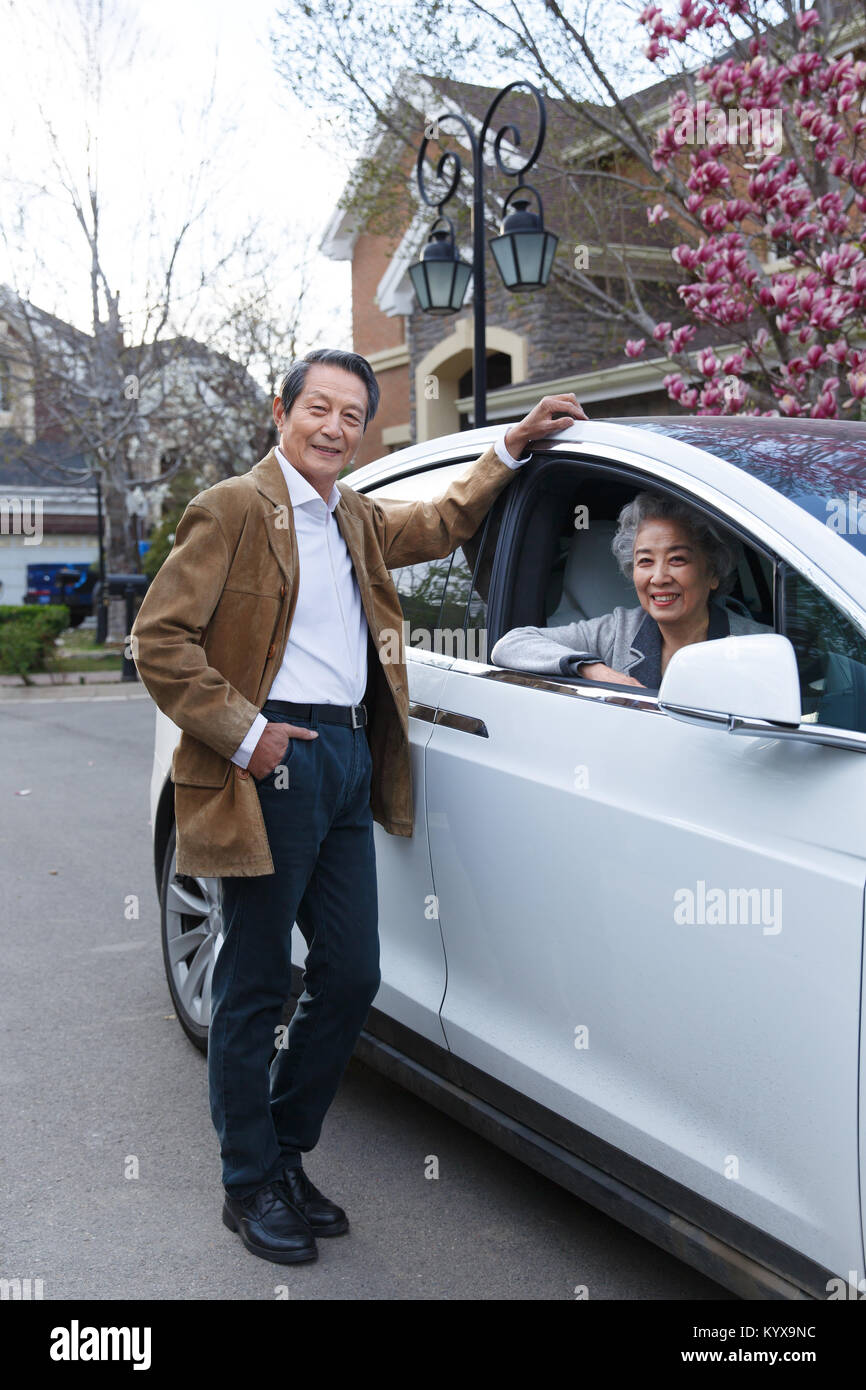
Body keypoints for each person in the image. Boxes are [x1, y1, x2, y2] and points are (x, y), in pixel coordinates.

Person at [130, 350, 588, 1265]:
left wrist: (512, 445)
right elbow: (158, 639)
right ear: (281, 411)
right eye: (319, 409)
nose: (334, 427)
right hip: (272, 756)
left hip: (344, 753)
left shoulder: (355, 517)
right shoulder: (232, 508)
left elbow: (444, 520)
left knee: (349, 974)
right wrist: (244, 732)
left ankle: (285, 1155)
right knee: (256, 982)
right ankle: (246, 1183)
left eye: (351, 415)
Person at [490, 490, 771, 687]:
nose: (659, 577)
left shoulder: (758, 646)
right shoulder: (618, 631)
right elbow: (510, 645)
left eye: (677, 559)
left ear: (712, 572)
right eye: (645, 561)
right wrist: (594, 670)